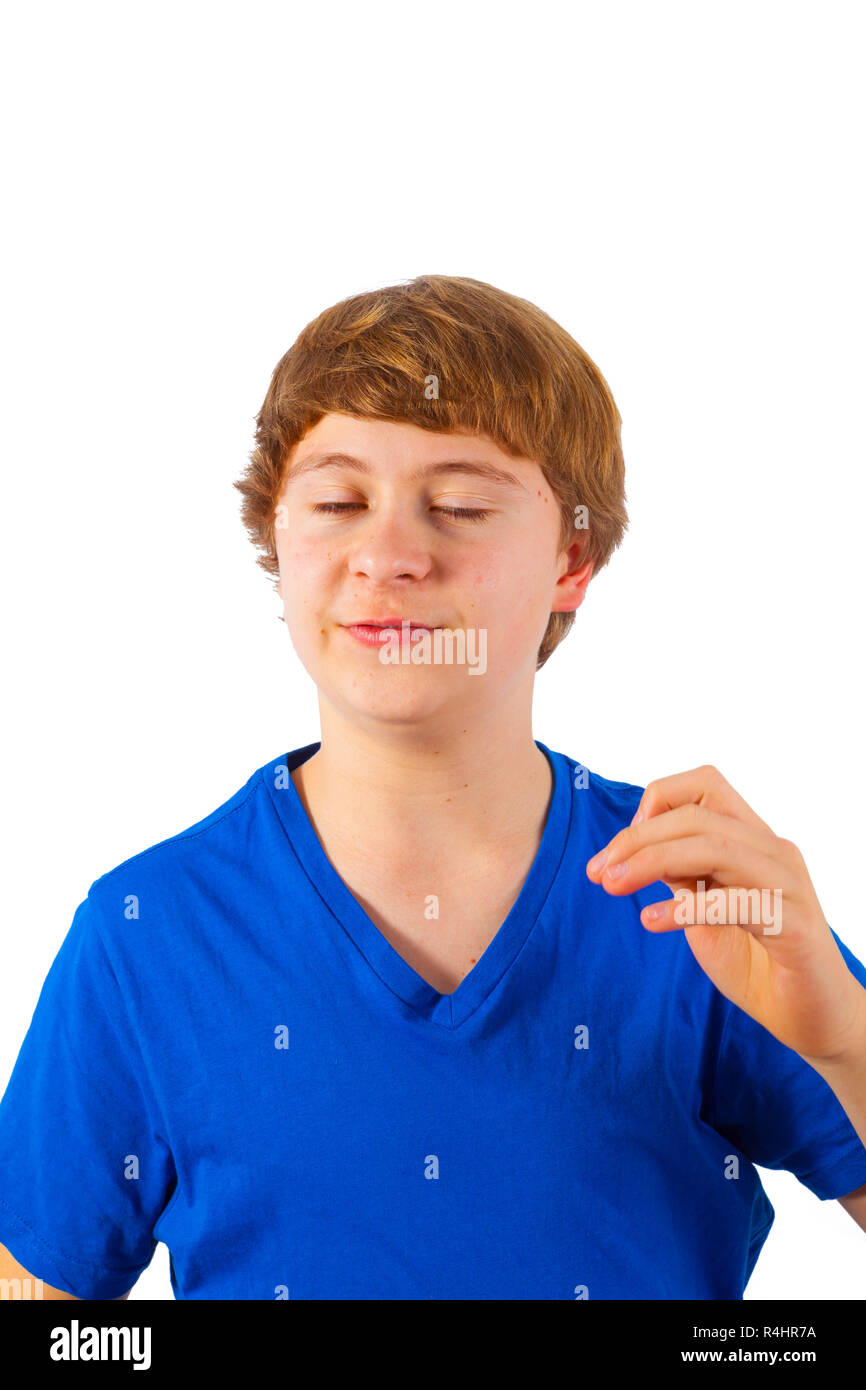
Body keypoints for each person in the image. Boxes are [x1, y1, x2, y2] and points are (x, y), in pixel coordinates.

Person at [1, 274, 865, 1301]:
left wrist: (845, 1039)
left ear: (570, 558)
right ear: (277, 542)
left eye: (457, 505)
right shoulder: (146, 935)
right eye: (337, 502)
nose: (389, 554)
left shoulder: (697, 904)